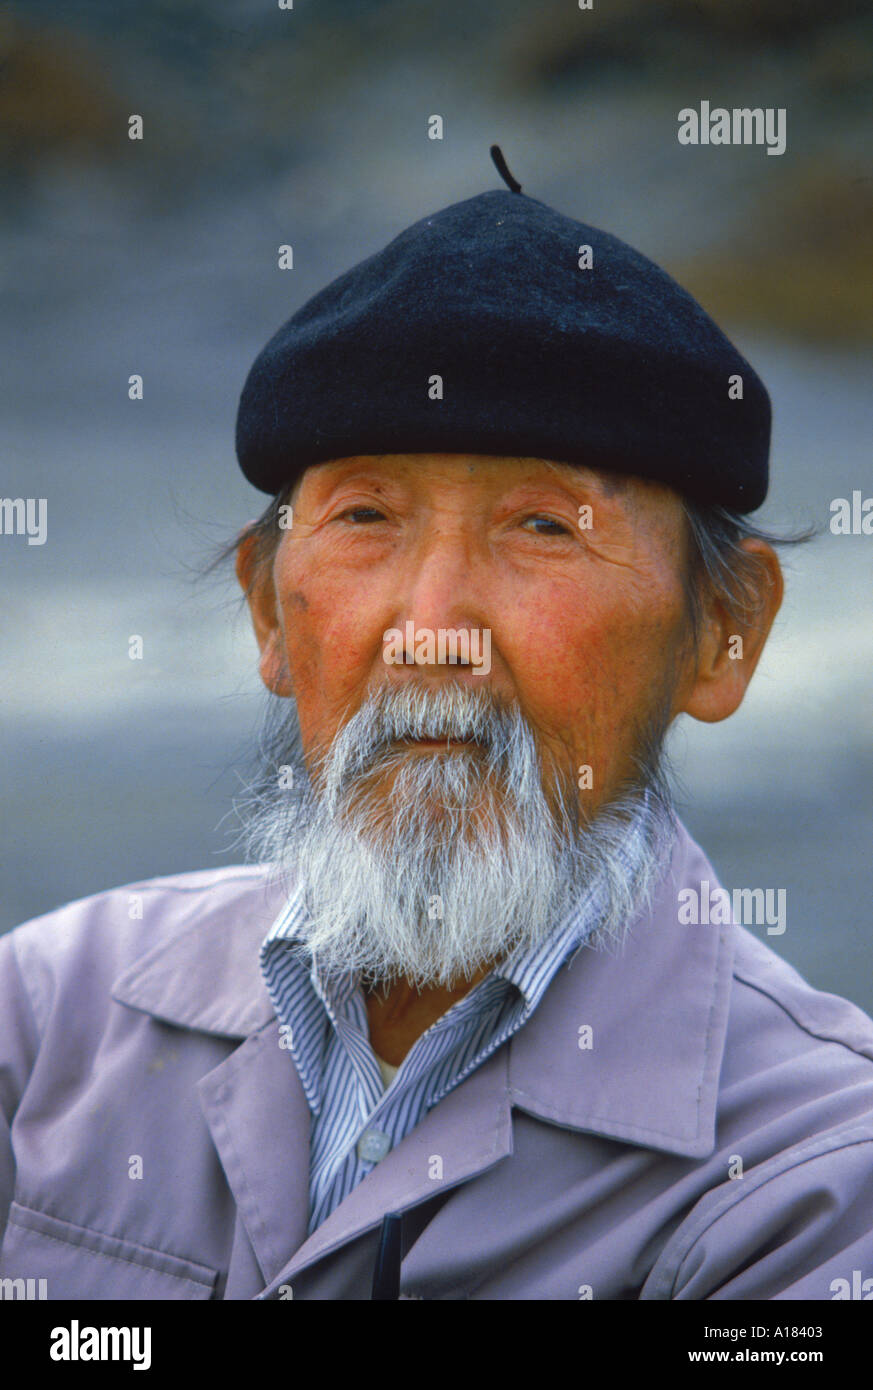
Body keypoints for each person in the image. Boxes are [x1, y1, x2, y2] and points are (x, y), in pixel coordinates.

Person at [1, 165, 871, 1300]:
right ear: (269, 610)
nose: (430, 630)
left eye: (545, 527)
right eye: (365, 516)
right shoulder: (46, 1020)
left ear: (724, 632)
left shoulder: (815, 1178)